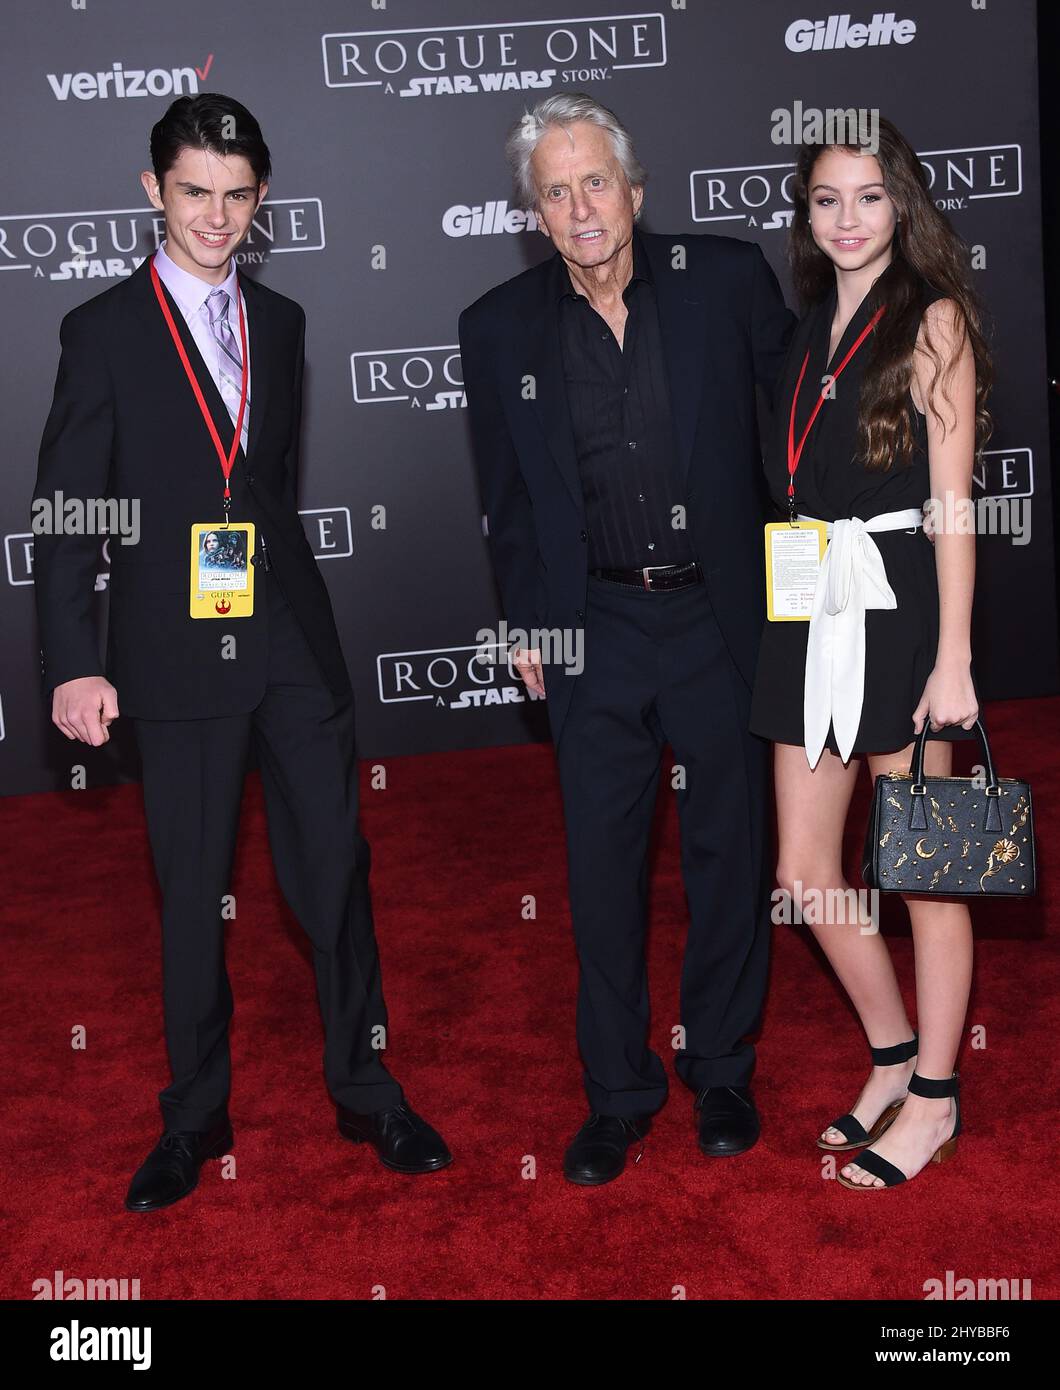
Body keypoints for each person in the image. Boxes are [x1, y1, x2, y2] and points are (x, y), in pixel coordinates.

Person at [31, 94, 450, 1212]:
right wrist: (75, 659)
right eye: (192, 193)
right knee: (191, 891)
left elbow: (259, 490)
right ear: (152, 191)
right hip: (171, 656)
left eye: (236, 195)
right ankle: (193, 1115)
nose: (215, 218)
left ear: (259, 199)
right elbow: (69, 507)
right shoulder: (103, 331)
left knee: (336, 873)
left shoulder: (286, 322)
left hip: (290, 645)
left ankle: (367, 1090)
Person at [459, 94, 795, 1185]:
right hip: (590, 625)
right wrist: (526, 617)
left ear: (635, 191)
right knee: (601, 868)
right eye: (554, 191)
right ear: (534, 214)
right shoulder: (498, 326)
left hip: (717, 615)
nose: (578, 205)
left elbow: (798, 437)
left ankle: (723, 1068)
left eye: (593, 181)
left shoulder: (726, 283)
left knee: (725, 851)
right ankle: (616, 1091)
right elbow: (506, 500)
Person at [748, 117, 992, 1189]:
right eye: (825, 200)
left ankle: (935, 1097)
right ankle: (892, 1050)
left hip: (897, 618)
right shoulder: (806, 327)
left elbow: (950, 506)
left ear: (902, 204)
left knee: (921, 875)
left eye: (867, 197)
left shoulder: (931, 321)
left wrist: (953, 658)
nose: (846, 219)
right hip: (808, 607)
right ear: (805, 214)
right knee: (805, 875)